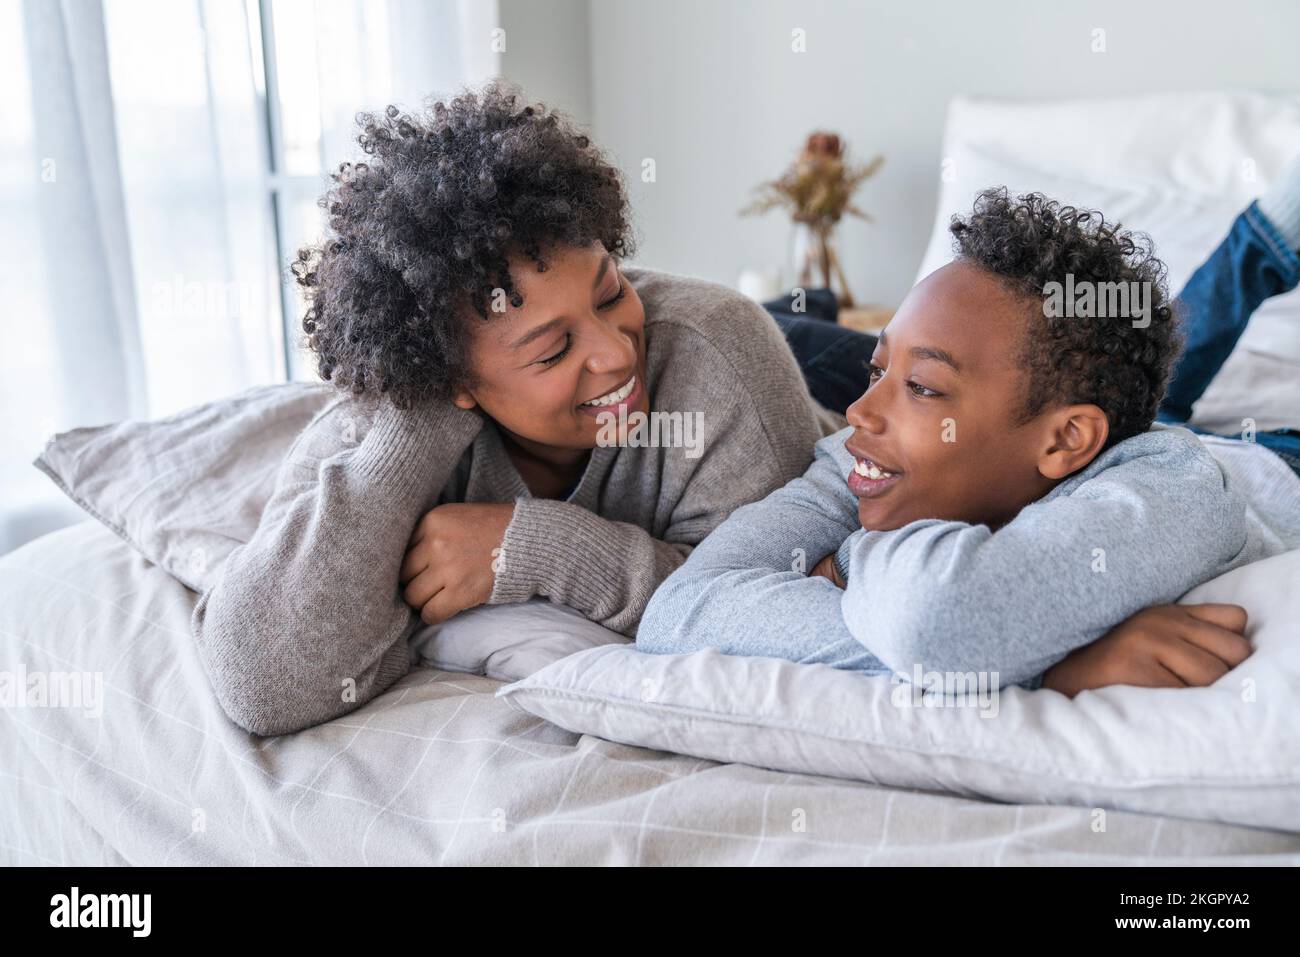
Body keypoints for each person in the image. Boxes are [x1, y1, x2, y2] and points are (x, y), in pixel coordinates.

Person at [191, 83, 836, 736]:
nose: (616, 354)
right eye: (553, 351)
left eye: (610, 293)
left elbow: (774, 606)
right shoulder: (396, 412)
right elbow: (264, 687)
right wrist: (427, 409)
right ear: (455, 382)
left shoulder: (721, 357)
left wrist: (538, 547)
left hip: (822, 371)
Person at [637, 180, 1300, 696]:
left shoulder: (1171, 495)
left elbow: (940, 621)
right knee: (1143, 386)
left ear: (1066, 441)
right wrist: (1051, 662)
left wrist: (850, 559)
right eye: (877, 370)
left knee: (1156, 392)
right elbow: (682, 611)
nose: (860, 412)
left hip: (1272, 462)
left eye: (922, 387)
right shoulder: (867, 453)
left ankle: (1265, 242)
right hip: (1062, 437)